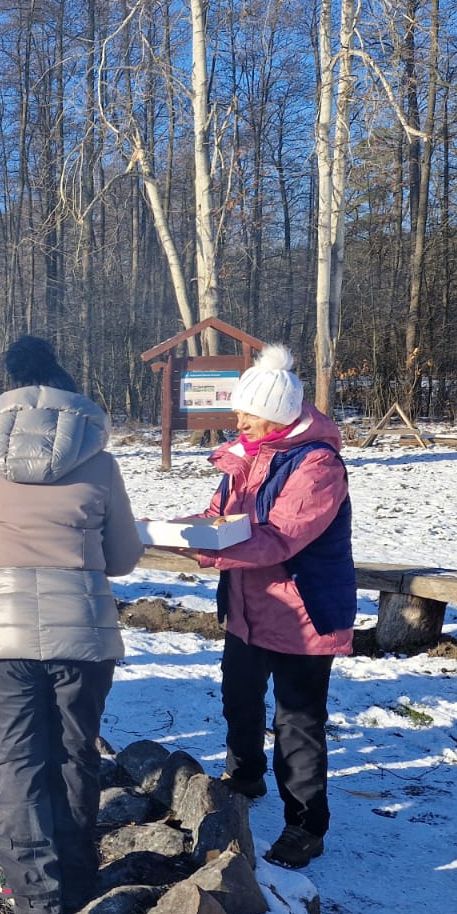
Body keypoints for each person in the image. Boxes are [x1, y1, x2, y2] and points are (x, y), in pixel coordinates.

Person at [0, 336, 143, 914]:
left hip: (1, 633)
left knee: (17, 760)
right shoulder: (100, 461)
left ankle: (30, 891)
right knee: (74, 752)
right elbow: (122, 557)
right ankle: (78, 878)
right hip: (82, 634)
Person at [190, 343, 353, 870]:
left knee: (298, 722)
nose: (238, 421)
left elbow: (280, 538)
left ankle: (306, 825)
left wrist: (209, 547)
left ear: (279, 415)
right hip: (247, 607)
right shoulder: (243, 457)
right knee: (239, 696)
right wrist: (181, 531)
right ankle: (244, 776)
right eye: (239, 411)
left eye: (248, 413)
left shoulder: (318, 465)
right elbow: (219, 515)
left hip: (302, 614)